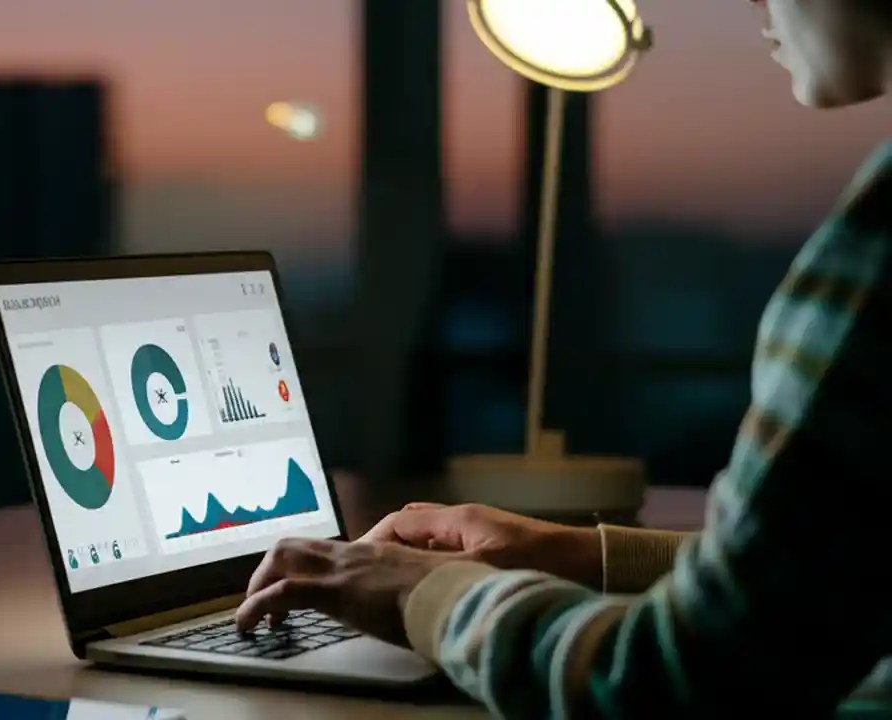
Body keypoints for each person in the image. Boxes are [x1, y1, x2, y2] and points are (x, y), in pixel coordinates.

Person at [234, 0, 892, 715]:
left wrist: (420, 593)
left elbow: (671, 681)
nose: (757, 5)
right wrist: (580, 555)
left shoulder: (880, 247)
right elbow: (818, 582)